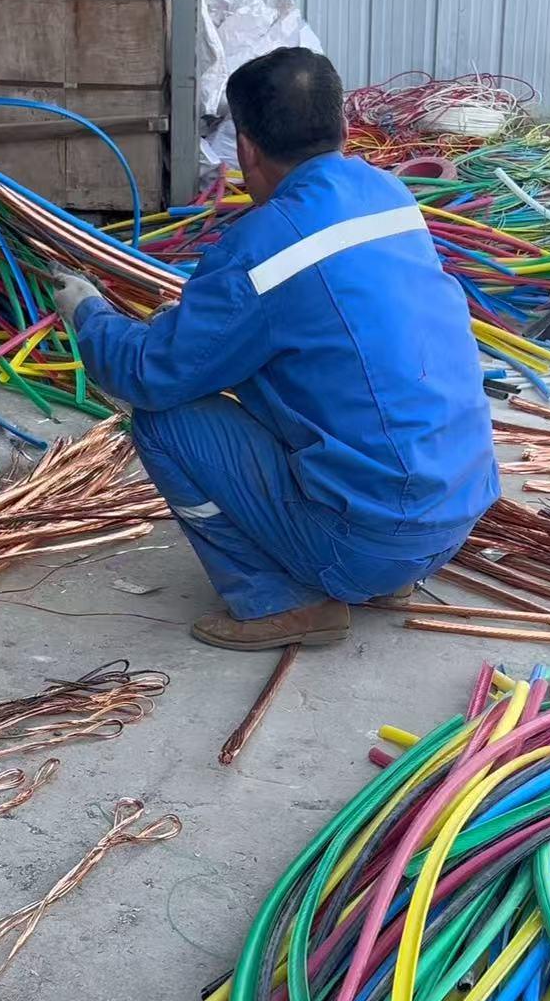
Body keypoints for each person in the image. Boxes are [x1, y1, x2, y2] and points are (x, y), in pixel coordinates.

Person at [52, 50, 498, 650]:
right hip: (458, 514)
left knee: (164, 420)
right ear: (342, 129)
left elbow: (150, 374)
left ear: (247, 149)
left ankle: (281, 600)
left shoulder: (263, 249)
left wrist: (89, 315)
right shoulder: (387, 195)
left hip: (371, 543)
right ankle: (388, 577)